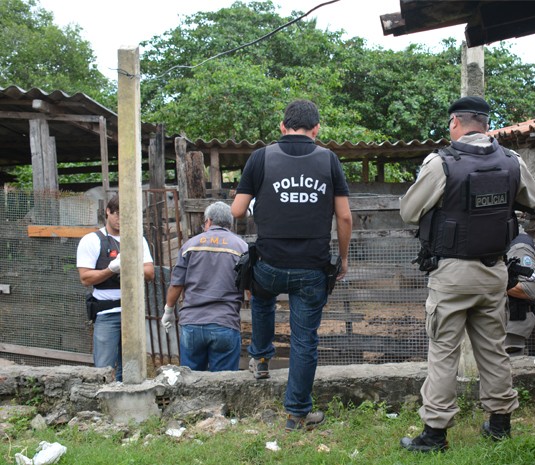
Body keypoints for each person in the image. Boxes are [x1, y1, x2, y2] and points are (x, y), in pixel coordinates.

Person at [399, 96, 535, 452]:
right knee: (493, 349)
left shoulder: (441, 163)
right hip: (494, 271)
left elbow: (409, 212)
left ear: (454, 124)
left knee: (444, 351)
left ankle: (434, 434)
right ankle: (499, 423)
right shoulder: (512, 161)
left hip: (451, 273)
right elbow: (532, 201)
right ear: (486, 124)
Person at [231, 99, 352, 432]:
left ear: (282, 127)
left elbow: (237, 210)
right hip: (312, 267)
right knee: (304, 341)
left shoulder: (261, 157)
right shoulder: (329, 160)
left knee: (261, 293)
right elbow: (343, 216)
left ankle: (260, 356)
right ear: (316, 130)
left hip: (269, 263)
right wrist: (342, 260)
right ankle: (297, 414)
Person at [161, 201, 248, 372]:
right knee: (224, 383)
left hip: (192, 324)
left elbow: (176, 284)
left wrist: (168, 311)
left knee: (190, 381)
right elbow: (250, 288)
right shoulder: (241, 247)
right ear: (230, 223)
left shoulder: (190, 245)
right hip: (225, 323)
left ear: (208, 221)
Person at [76, 194, 155, 381]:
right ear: (108, 212)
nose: (121, 219)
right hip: (106, 313)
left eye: (126, 215)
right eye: (117, 214)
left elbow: (150, 273)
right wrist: (111, 269)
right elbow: (86, 278)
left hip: (132, 313)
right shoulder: (92, 240)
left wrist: (130, 266)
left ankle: (129, 405)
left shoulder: (137, 240)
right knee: (103, 368)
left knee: (131, 367)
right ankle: (103, 402)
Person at [505, 218, 535, 356]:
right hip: (503, 321)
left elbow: (530, 289)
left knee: (510, 373)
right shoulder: (506, 241)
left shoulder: (519, 246)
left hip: (512, 324)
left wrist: (491, 284)